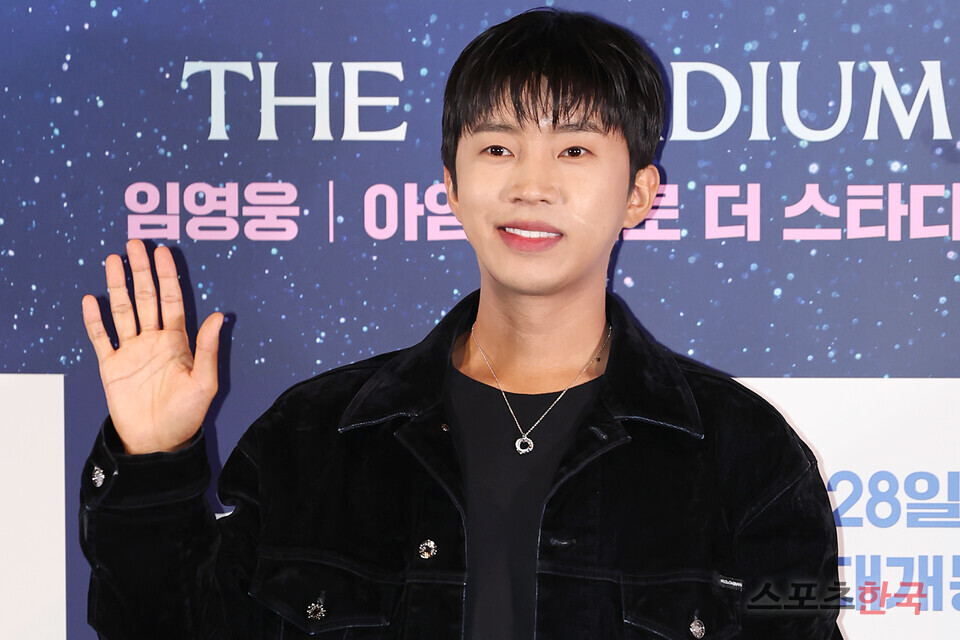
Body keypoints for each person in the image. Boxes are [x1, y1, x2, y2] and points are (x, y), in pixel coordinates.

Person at [80, 8, 843, 639]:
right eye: (498, 147)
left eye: (574, 149)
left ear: (639, 193)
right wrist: (152, 464)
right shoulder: (313, 439)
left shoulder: (745, 456)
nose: (532, 185)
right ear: (451, 184)